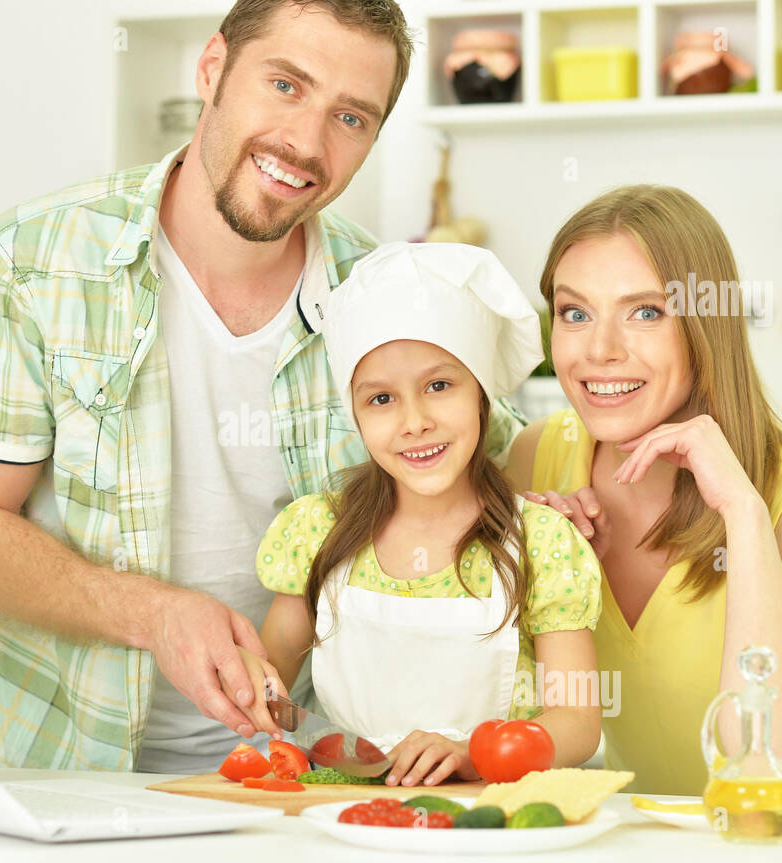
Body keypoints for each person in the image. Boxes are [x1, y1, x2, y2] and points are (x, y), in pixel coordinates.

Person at [0, 0, 529, 772]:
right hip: (44, 772)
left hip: (302, 784)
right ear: (213, 71)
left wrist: (566, 486)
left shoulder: (385, 292)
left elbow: (496, 466)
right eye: (284, 84)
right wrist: (153, 614)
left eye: (351, 118)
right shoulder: (24, 266)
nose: (305, 142)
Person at [504, 185, 782, 796]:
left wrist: (744, 516)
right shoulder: (537, 459)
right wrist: (514, 565)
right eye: (575, 312)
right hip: (665, 845)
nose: (600, 351)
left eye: (646, 312)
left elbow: (773, 768)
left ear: (705, 324)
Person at [236, 242, 604, 787]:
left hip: (487, 822)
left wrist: (474, 755)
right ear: (355, 414)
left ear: (481, 395)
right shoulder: (316, 532)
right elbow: (273, 694)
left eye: (438, 386)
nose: (414, 422)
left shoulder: (542, 544)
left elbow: (578, 722)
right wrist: (250, 685)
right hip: (337, 817)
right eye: (381, 399)